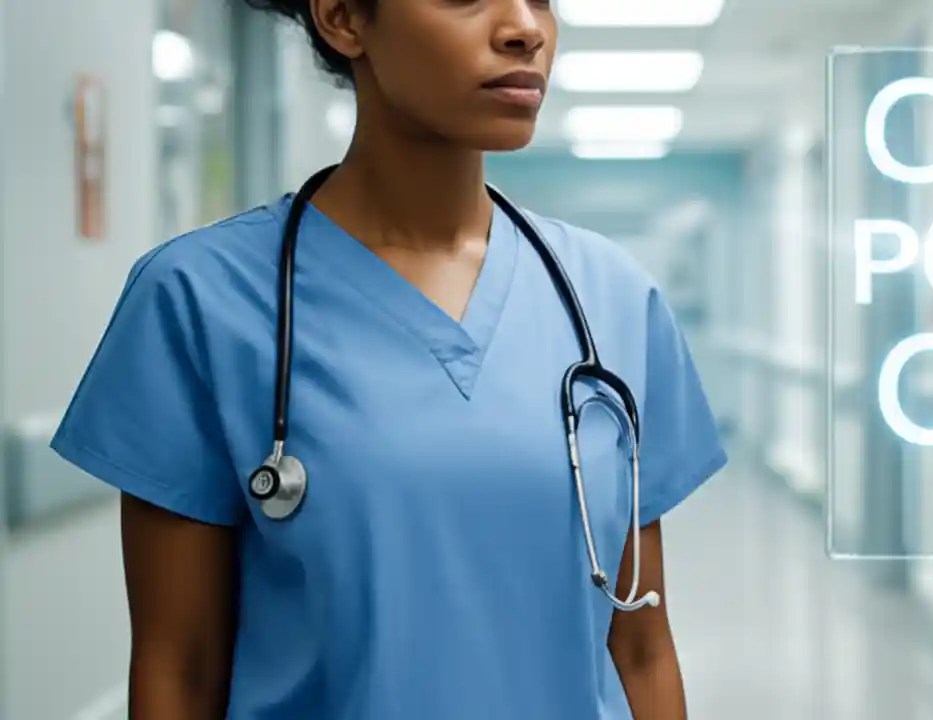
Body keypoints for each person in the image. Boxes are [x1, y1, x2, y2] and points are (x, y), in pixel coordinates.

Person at [48, 1, 727, 717]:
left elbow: (642, 650)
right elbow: (180, 670)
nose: (525, 28)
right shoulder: (200, 298)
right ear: (343, 17)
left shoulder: (610, 296)